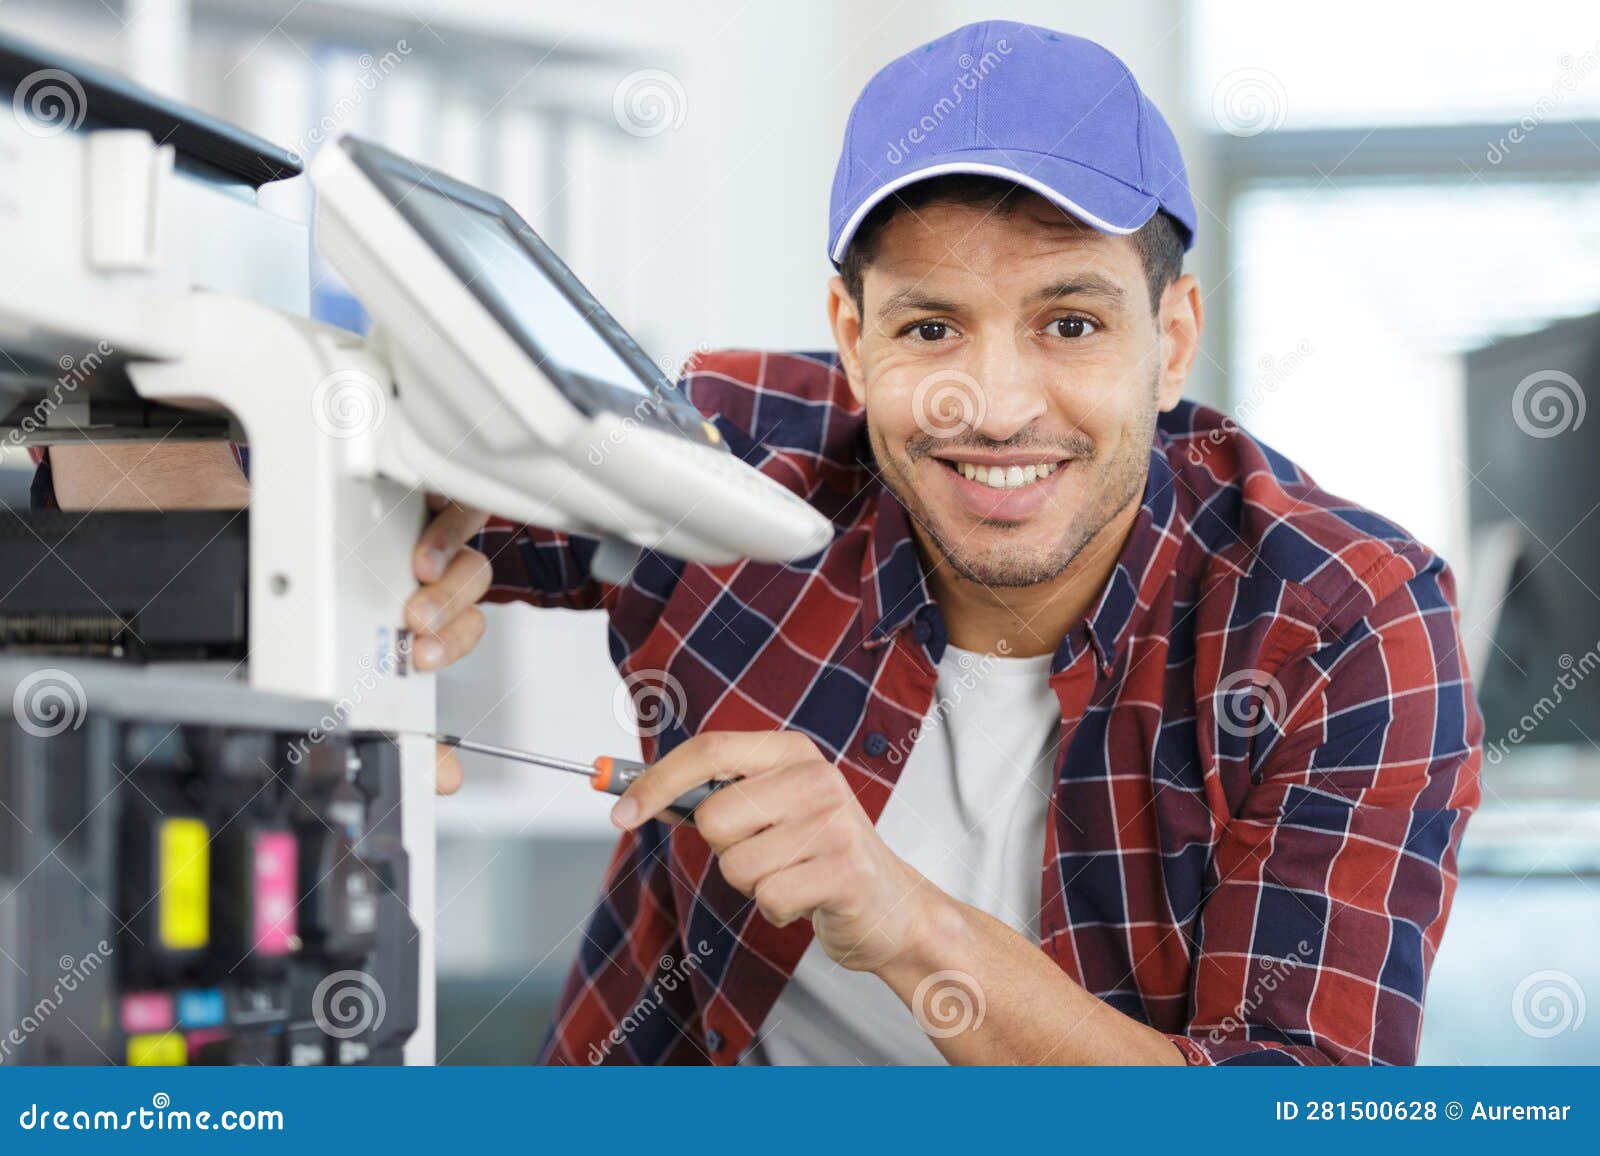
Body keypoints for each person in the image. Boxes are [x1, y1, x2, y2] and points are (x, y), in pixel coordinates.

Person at [46, 22, 1481, 1065]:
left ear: (1171, 341)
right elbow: (243, 466)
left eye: (1070, 322)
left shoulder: (1344, 621)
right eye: (929, 327)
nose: (993, 406)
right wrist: (378, 555)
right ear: (851, 337)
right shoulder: (738, 454)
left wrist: (897, 918)